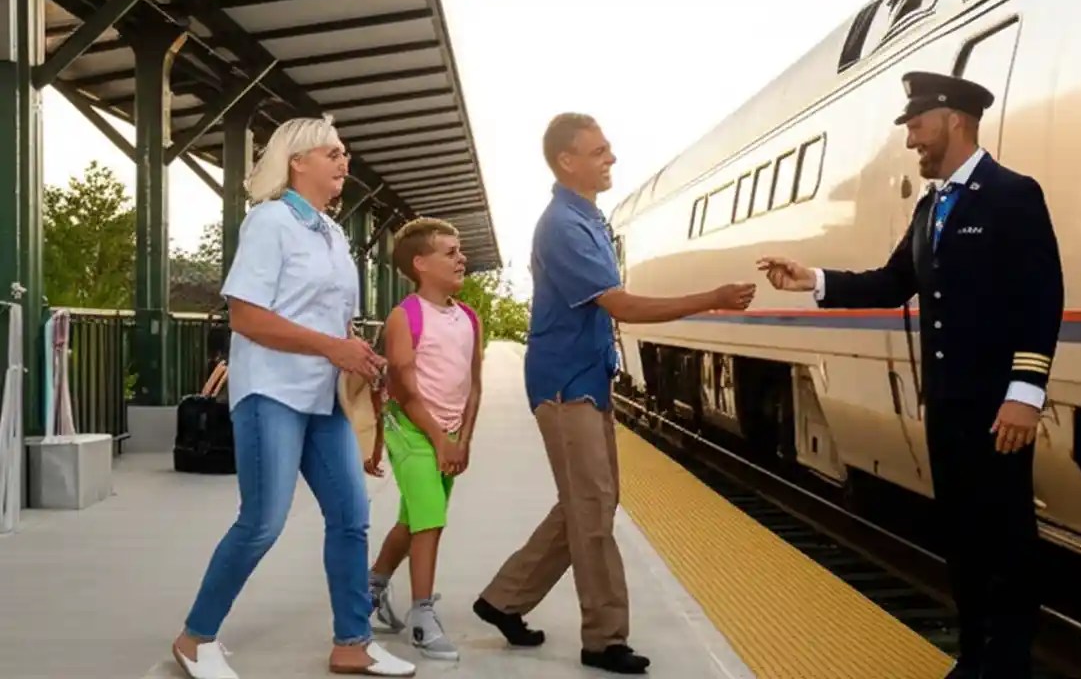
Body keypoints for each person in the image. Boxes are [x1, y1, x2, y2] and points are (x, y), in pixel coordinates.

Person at [757, 72, 1064, 679]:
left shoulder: (1012, 194)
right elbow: (894, 282)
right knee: (964, 539)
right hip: (946, 404)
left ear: (953, 119)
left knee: (1005, 541)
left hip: (997, 406)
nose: (911, 142)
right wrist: (814, 279)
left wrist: (1025, 394)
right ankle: (975, 657)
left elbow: (1041, 297)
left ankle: (1006, 666)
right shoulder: (931, 209)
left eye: (917, 126)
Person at [471, 112, 756, 675]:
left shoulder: (587, 219)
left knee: (588, 502)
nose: (611, 159)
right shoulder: (563, 226)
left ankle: (504, 599)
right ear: (566, 161)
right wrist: (713, 298)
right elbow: (621, 305)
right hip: (564, 384)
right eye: (599, 151)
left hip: (585, 378)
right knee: (594, 507)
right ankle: (604, 638)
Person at [171, 115, 417, 679]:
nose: (343, 162)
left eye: (345, 153)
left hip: (323, 397)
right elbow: (246, 317)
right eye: (332, 153)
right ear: (297, 161)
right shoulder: (269, 222)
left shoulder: (333, 234)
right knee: (263, 521)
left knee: (352, 519)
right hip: (272, 392)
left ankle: (351, 644)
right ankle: (195, 637)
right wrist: (334, 347)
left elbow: (328, 319)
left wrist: (355, 350)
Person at [361, 218, 482, 663]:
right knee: (431, 519)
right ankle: (421, 616)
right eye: (450, 252)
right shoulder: (404, 317)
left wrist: (462, 439)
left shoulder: (469, 318)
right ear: (421, 263)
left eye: (459, 250)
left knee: (413, 520)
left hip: (449, 431)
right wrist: (439, 440)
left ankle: (369, 591)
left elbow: (476, 384)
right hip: (410, 430)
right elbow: (407, 392)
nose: (461, 258)